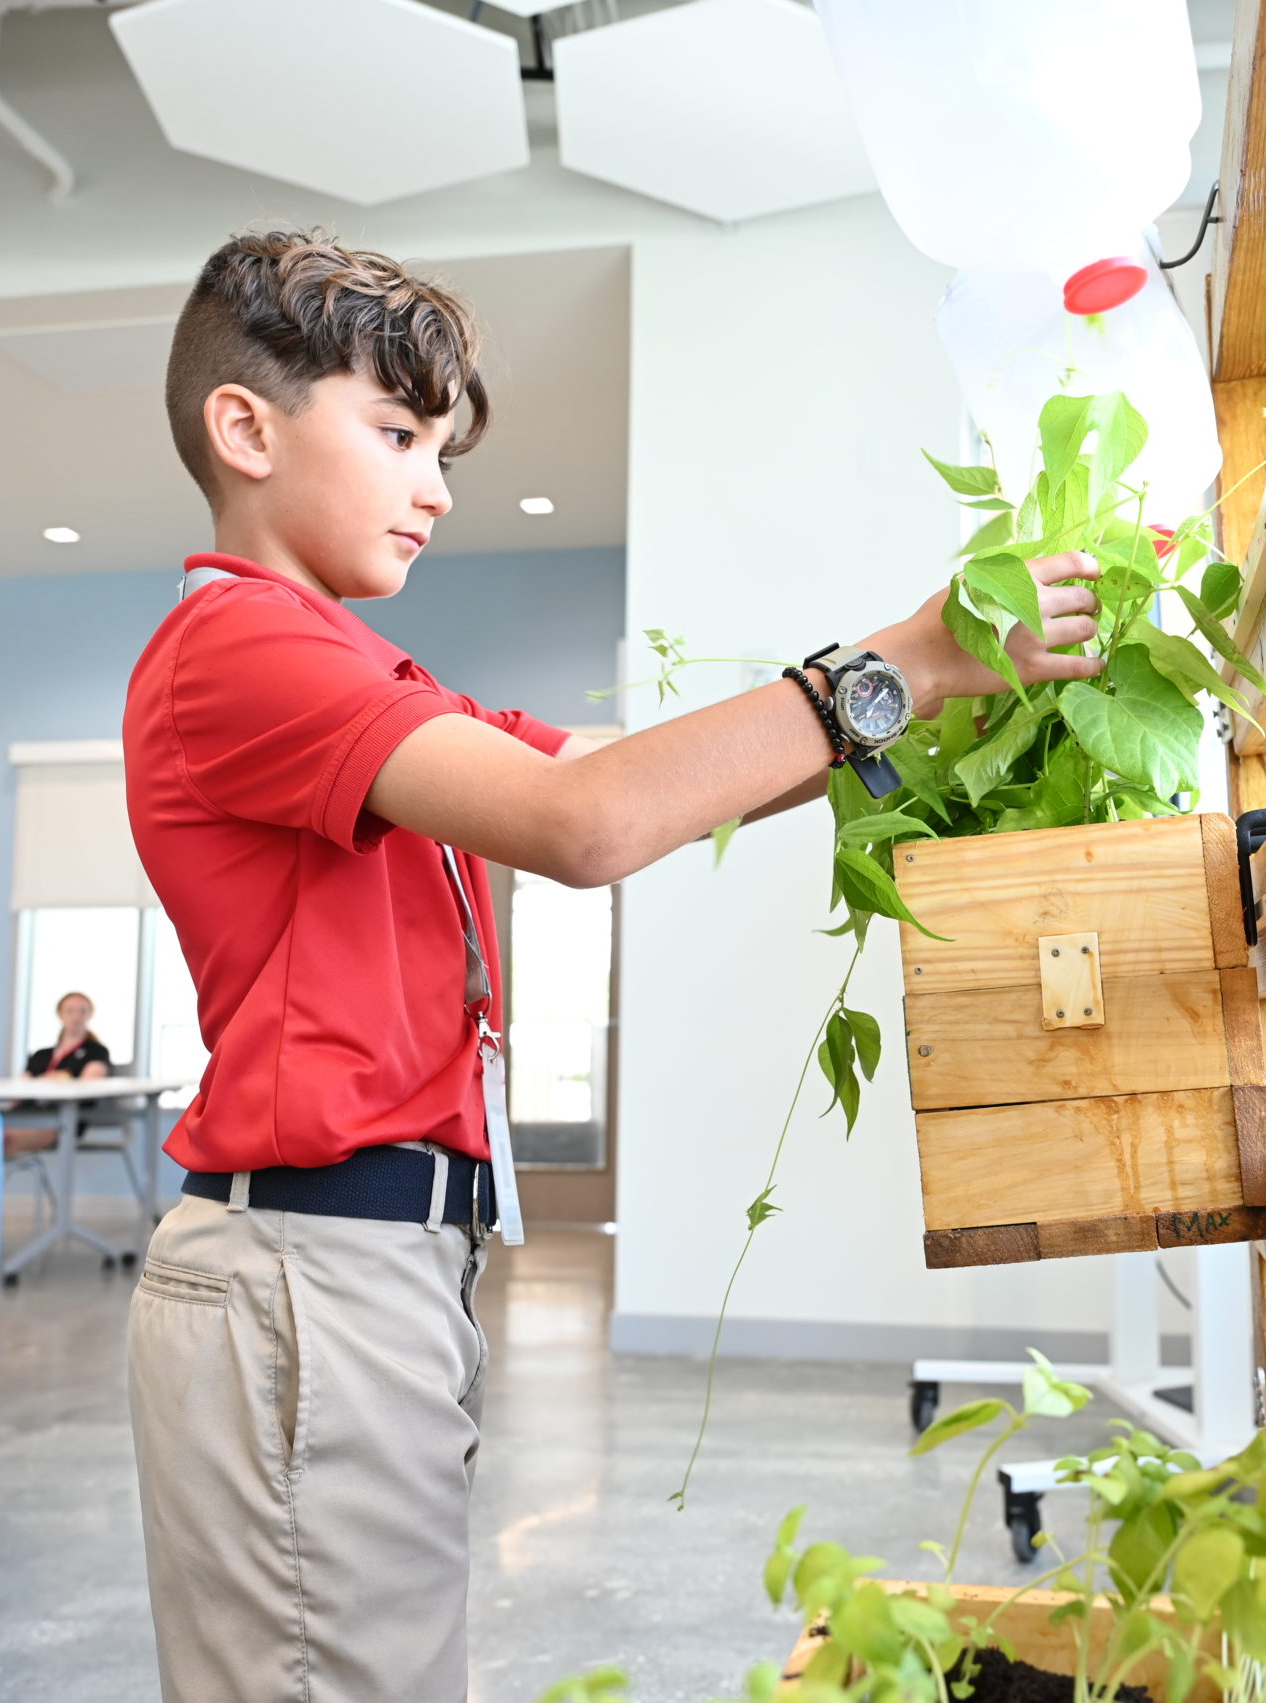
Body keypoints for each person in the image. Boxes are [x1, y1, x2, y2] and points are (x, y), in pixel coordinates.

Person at [121, 228, 1103, 1703]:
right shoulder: (240, 651)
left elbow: (617, 772)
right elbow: (586, 825)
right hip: (307, 1263)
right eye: (396, 433)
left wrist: (918, 701)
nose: (436, 485)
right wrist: (890, 667)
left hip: (371, 1265)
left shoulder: (354, 670)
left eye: (438, 445)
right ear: (244, 427)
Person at [24, 991, 114, 1081]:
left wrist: (44, 1079)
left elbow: (89, 1084)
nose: (76, 1016)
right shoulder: (40, 1055)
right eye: (69, 1010)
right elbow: (23, 1084)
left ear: (90, 1015)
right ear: (60, 1014)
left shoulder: (97, 1052)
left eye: (82, 1011)